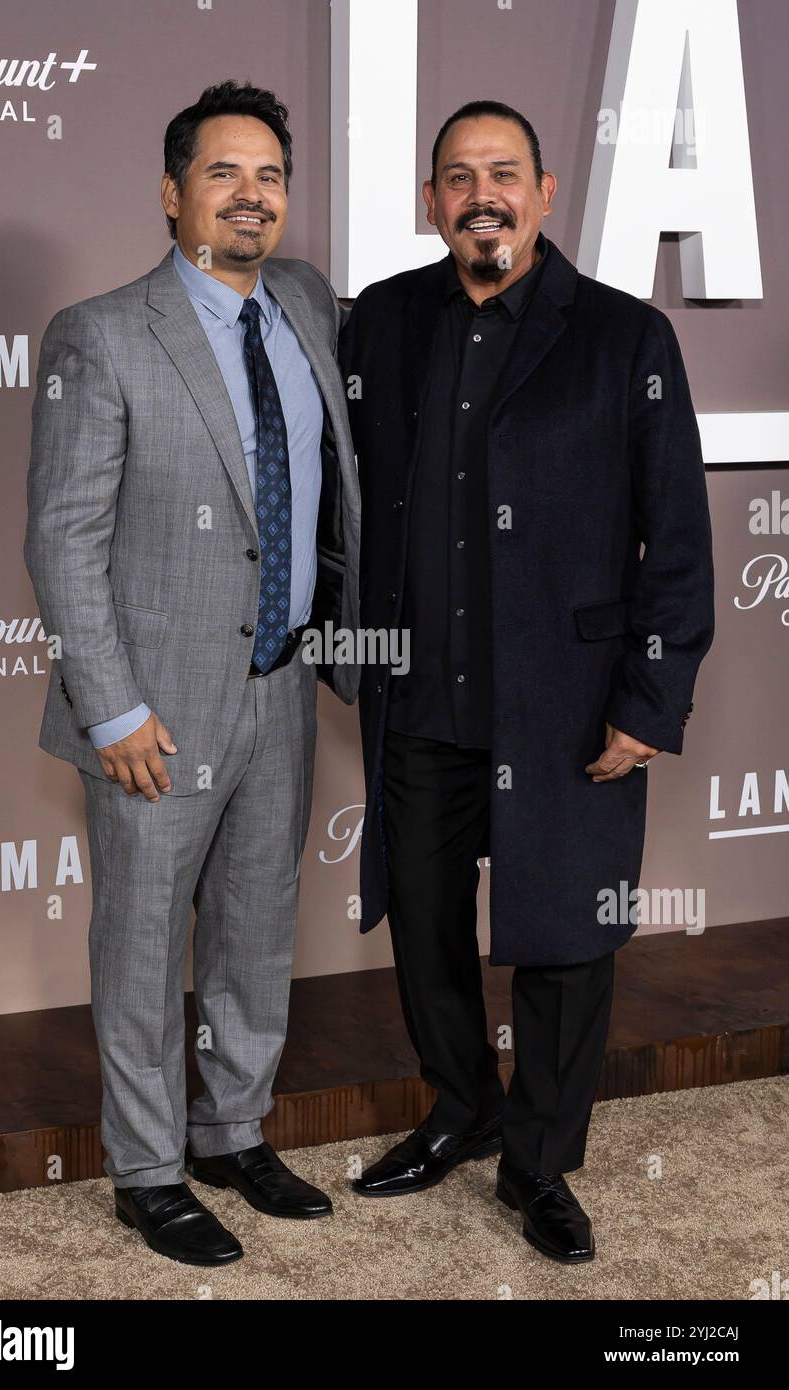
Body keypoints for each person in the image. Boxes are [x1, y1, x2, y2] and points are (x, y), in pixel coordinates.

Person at [338, 100, 714, 1264]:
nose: (479, 194)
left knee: (563, 936)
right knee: (427, 930)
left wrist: (648, 703)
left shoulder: (622, 337)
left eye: (502, 173)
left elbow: (679, 537)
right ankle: (460, 1107)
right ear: (429, 202)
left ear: (546, 194)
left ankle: (539, 1164)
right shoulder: (382, 323)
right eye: (456, 177)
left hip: (567, 703)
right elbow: (347, 507)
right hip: (423, 697)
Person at [24, 80, 359, 1267]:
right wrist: (109, 705)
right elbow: (61, 535)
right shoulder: (102, 332)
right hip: (152, 709)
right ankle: (149, 1169)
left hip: (278, 683)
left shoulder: (308, 306)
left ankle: (230, 1130)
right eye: (223, 173)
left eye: (268, 175)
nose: (250, 194)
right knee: (143, 939)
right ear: (172, 195)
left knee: (255, 931)